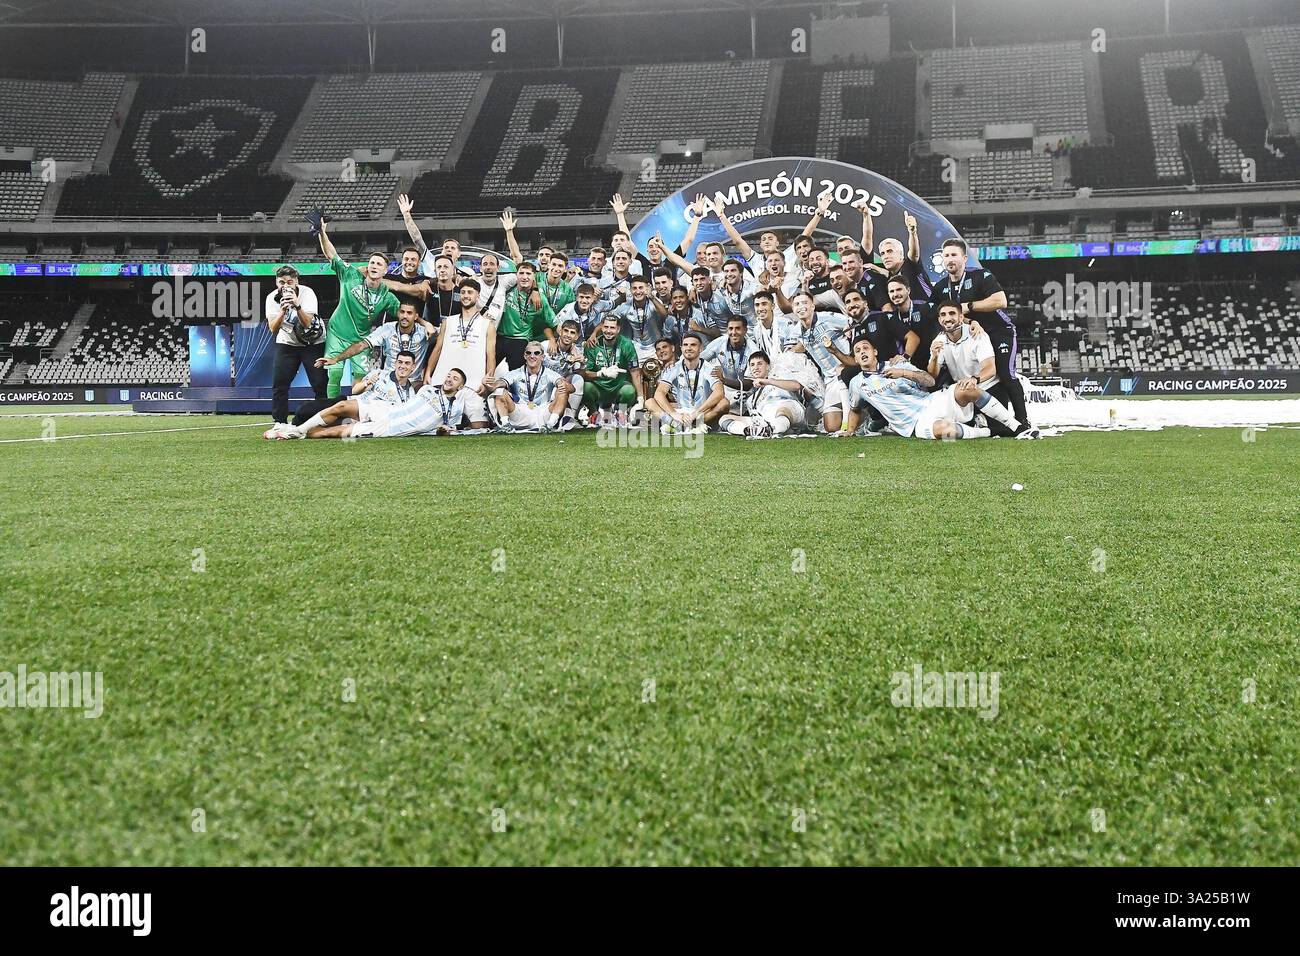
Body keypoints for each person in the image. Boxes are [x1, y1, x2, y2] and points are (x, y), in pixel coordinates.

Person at [929, 238, 1031, 434]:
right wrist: (969, 321)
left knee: (1006, 374)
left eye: (954, 255)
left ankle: (1023, 421)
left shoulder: (981, 276)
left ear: (964, 258)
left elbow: (1001, 300)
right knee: (960, 375)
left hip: (998, 331)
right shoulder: (941, 286)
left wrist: (969, 307)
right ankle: (982, 417)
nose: (950, 259)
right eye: (946, 255)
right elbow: (934, 312)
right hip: (971, 333)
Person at [837, 338, 1018, 440]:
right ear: (856, 359)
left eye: (865, 348)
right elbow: (855, 408)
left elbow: (930, 381)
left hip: (932, 402)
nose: (862, 352)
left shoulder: (900, 365)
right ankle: (989, 431)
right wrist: (850, 430)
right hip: (915, 424)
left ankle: (1015, 426)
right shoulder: (857, 383)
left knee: (967, 387)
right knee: (944, 432)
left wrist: (903, 373)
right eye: (858, 350)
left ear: (874, 352)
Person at [317, 219, 403, 398]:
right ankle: (331, 411)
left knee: (362, 377)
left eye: (379, 264)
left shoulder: (387, 296)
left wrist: (423, 323)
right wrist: (321, 233)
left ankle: (356, 412)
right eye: (372, 262)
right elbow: (332, 255)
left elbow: (404, 315)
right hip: (337, 332)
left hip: (361, 340)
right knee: (334, 372)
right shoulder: (351, 276)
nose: (374, 266)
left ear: (385, 271)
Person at [281, 350, 424, 439]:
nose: (402, 366)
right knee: (304, 410)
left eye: (406, 363)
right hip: (351, 403)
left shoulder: (410, 394)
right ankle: (292, 427)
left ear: (412, 367)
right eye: (400, 362)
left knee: (325, 429)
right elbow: (355, 390)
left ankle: (296, 431)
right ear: (395, 364)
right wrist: (367, 383)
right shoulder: (380, 374)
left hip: (362, 419)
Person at [422, 278, 496, 429]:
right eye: (463, 292)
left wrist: (487, 380)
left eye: (470, 292)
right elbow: (437, 349)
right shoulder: (448, 321)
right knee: (427, 423)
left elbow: (491, 355)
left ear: (477, 295)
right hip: (444, 381)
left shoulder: (487, 324)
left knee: (480, 426)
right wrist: (428, 373)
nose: (466, 295)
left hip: (474, 384)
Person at [264, 264, 327, 426]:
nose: (286, 286)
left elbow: (308, 323)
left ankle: (321, 420)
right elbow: (273, 328)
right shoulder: (272, 298)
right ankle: (279, 422)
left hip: (312, 342)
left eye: (289, 282)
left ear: (296, 282)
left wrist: (297, 305)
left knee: (319, 383)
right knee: (279, 384)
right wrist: (282, 311)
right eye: (282, 282)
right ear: (276, 283)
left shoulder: (307, 293)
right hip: (287, 342)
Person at [316, 302, 435, 384]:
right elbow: (361, 345)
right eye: (402, 312)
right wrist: (336, 359)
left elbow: (445, 336)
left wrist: (428, 326)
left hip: (413, 382)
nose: (404, 316)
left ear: (416, 316)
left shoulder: (424, 331)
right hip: (388, 381)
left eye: (409, 313)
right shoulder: (387, 329)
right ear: (398, 313)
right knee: (360, 388)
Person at [786, 290, 851, 433]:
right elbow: (804, 344)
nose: (801, 307)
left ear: (813, 306)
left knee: (849, 412)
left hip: (847, 370)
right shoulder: (796, 330)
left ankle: (855, 419)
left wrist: (848, 330)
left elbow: (851, 322)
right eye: (797, 304)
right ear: (793, 309)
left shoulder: (827, 317)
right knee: (831, 427)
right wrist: (791, 352)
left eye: (805, 303)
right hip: (829, 378)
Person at [717, 352, 810, 438]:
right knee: (724, 418)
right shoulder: (751, 399)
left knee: (783, 409)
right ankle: (747, 431)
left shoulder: (779, 378)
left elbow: (796, 386)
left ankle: (772, 429)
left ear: (768, 366)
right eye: (752, 365)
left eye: (759, 363)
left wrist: (767, 381)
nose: (756, 367)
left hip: (789, 411)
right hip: (764, 421)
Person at [650, 331, 727, 433]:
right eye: (685, 345)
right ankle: (675, 423)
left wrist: (696, 413)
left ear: (701, 349)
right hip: (681, 413)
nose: (689, 348)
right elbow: (659, 393)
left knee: (724, 403)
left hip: (702, 412)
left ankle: (694, 425)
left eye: (693, 345)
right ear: (681, 348)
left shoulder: (710, 368)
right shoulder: (674, 368)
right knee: (649, 402)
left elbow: (719, 392)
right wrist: (674, 414)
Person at [581, 314, 643, 426]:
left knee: (629, 391)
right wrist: (601, 374)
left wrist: (640, 398)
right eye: (606, 327)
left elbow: (635, 371)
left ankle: (621, 413)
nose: (608, 331)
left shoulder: (626, 344)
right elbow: (584, 373)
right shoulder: (592, 345)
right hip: (599, 387)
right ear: (602, 328)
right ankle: (594, 413)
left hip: (618, 386)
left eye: (612, 328)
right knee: (585, 387)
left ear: (618, 329)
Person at [492, 341, 569, 431]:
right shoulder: (516, 373)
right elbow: (500, 383)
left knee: (562, 391)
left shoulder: (550, 373)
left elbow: (571, 388)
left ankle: (549, 425)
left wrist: (566, 386)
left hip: (543, 412)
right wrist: (490, 386)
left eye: (536, 353)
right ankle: (505, 425)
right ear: (525, 356)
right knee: (499, 391)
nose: (532, 356)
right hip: (521, 411)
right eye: (529, 353)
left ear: (542, 357)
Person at [496, 261, 555, 369]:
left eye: (528, 274)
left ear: (534, 277)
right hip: (500, 336)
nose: (524, 277)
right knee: (485, 368)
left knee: (516, 376)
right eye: (521, 273)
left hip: (521, 339)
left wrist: (553, 340)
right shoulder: (507, 288)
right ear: (516, 275)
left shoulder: (540, 298)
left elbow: (553, 321)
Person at [702, 315, 758, 413]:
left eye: (738, 329)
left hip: (744, 392)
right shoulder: (720, 342)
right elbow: (700, 359)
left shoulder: (753, 351)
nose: (734, 332)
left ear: (745, 330)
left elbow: (749, 384)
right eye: (731, 329)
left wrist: (723, 380)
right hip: (724, 389)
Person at [609, 274, 668, 360]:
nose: (638, 291)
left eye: (641, 288)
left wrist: (652, 297)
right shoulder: (625, 306)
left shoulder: (654, 302)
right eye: (634, 288)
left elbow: (664, 315)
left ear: (647, 288)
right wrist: (594, 333)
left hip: (655, 346)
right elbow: (610, 319)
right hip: (636, 347)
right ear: (630, 290)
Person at [542, 318, 587, 426]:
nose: (568, 335)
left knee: (578, 379)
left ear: (576, 337)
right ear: (560, 331)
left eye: (572, 333)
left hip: (560, 388)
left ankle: (571, 417)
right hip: (542, 386)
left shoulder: (577, 352)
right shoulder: (545, 345)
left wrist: (581, 364)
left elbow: (580, 376)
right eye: (566, 331)